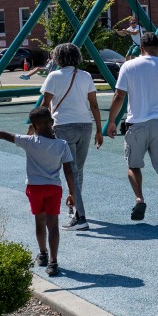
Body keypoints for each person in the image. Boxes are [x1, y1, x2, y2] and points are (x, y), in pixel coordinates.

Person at [0, 107, 76, 276]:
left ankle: (42, 253)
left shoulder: (29, 141)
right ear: (52, 123)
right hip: (54, 189)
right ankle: (53, 262)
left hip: (34, 188)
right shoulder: (62, 145)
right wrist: (71, 193)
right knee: (53, 226)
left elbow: (3, 134)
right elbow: (68, 171)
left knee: (39, 222)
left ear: (34, 127)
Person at [107, 32, 158, 226]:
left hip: (136, 124)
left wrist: (111, 121)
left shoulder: (128, 66)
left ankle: (139, 199)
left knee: (133, 166)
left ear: (141, 49)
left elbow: (119, 96)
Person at [40, 43, 103, 232]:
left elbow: (45, 104)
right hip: (85, 125)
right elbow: (94, 104)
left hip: (63, 126)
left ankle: (80, 216)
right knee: (78, 170)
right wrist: (100, 129)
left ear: (58, 58)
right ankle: (75, 205)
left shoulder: (54, 76)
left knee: (71, 170)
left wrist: (36, 126)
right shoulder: (86, 76)